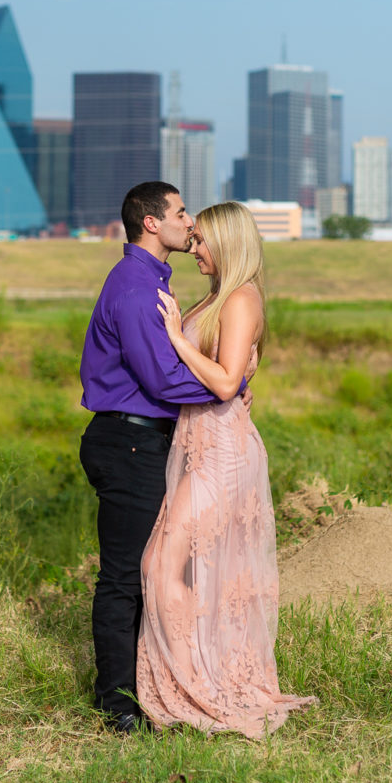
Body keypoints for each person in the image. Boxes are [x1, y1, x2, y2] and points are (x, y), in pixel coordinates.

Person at [137, 201, 315, 738]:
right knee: (200, 573)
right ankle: (203, 674)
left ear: (228, 243)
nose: (194, 248)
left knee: (160, 563)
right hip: (201, 445)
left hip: (221, 454)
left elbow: (223, 382)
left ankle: (198, 685)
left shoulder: (239, 299)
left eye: (202, 241)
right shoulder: (219, 298)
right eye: (193, 241)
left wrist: (173, 338)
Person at [77, 181, 243, 734]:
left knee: (156, 570)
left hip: (143, 438)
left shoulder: (153, 281)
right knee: (126, 575)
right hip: (129, 441)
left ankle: (154, 686)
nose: (189, 221)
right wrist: (228, 386)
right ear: (152, 223)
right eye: (179, 212)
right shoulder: (134, 287)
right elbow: (160, 377)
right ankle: (118, 706)